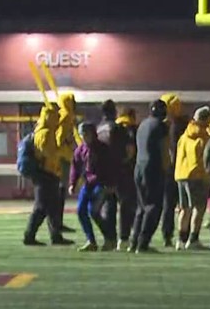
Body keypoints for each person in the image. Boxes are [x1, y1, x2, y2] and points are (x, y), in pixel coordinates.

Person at [23, 102, 73, 248]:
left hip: (48, 172)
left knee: (52, 206)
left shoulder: (45, 130)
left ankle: (55, 236)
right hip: (44, 173)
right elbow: (50, 152)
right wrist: (63, 151)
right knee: (41, 207)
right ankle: (29, 235)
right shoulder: (44, 132)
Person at [68, 122, 115, 252]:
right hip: (88, 184)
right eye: (82, 134)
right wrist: (72, 183)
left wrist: (111, 184)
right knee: (81, 211)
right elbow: (75, 167)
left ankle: (110, 238)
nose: (84, 137)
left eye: (86, 134)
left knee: (93, 211)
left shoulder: (103, 149)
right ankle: (91, 241)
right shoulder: (80, 150)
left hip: (101, 183)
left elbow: (112, 168)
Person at [130, 100, 170, 253]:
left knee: (142, 207)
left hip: (139, 167)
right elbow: (164, 148)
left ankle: (134, 242)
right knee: (154, 206)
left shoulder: (143, 124)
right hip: (153, 168)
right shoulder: (161, 126)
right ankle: (143, 243)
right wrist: (167, 168)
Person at [97, 104, 138, 251]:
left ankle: (110, 239)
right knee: (126, 205)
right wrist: (125, 162)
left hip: (104, 173)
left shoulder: (99, 128)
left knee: (109, 207)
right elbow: (130, 150)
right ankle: (124, 238)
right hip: (121, 171)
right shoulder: (118, 129)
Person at [174, 106, 210, 250]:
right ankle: (193, 239)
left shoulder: (184, 135)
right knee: (199, 207)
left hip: (180, 174)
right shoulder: (204, 137)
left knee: (184, 208)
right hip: (196, 175)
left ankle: (180, 240)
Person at [160, 93, 186, 248]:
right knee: (183, 205)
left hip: (169, 169)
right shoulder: (181, 125)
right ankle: (182, 236)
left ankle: (167, 235)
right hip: (180, 168)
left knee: (168, 205)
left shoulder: (162, 126)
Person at [55, 92, 79, 235]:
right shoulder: (65, 117)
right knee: (60, 190)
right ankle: (57, 222)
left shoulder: (66, 116)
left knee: (61, 191)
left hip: (64, 156)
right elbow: (59, 139)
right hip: (62, 158)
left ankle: (58, 221)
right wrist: (68, 145)